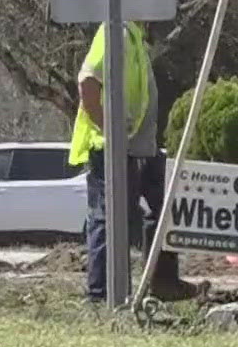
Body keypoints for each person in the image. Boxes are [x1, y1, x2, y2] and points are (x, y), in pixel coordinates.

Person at [69, 21, 197, 304]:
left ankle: (163, 282)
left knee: (164, 204)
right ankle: (102, 295)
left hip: (141, 146)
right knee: (110, 217)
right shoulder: (116, 31)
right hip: (113, 148)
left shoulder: (136, 36)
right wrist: (110, 130)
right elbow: (88, 82)